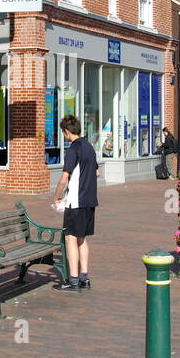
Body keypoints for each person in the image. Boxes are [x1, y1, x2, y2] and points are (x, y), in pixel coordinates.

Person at [53, 114, 97, 291]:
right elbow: (96, 173)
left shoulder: (73, 149)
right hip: (89, 200)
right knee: (82, 238)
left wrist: (56, 197)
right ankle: (84, 278)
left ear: (66, 131)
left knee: (70, 238)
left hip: (76, 202)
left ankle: (72, 280)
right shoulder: (89, 147)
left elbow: (64, 177)